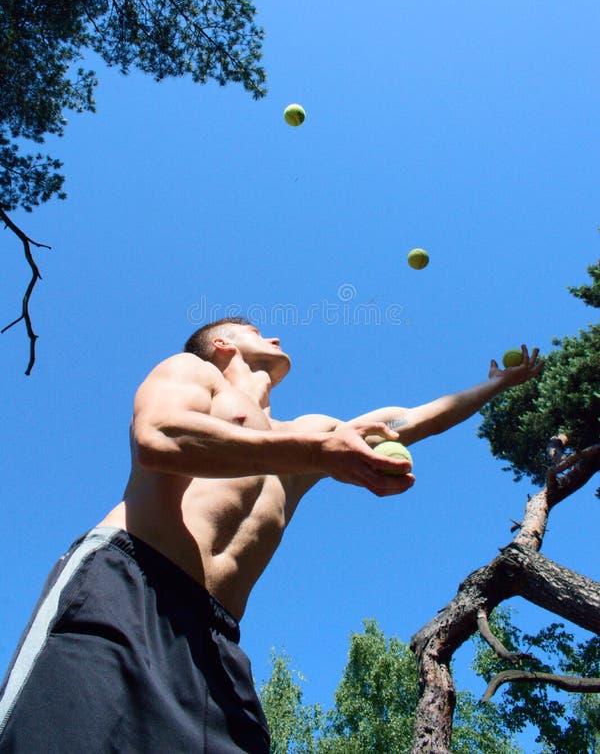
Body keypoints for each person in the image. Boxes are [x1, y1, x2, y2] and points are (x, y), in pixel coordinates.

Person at [0, 317, 542, 753]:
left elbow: (411, 420)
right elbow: (159, 437)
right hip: (128, 583)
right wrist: (316, 453)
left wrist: (494, 386)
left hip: (216, 638)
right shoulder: (193, 373)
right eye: (256, 330)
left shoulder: (308, 433)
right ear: (222, 344)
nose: (276, 338)